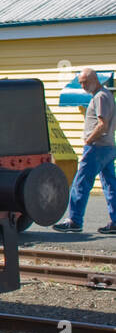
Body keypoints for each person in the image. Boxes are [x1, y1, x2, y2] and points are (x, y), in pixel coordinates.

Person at [54, 67, 116, 232]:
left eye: (85, 82)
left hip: (97, 147)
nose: (82, 86)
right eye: (80, 83)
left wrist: (88, 140)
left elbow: (103, 124)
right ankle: (115, 222)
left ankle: (74, 220)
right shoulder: (107, 94)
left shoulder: (100, 96)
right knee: (110, 185)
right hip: (108, 146)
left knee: (80, 183)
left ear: (94, 79)